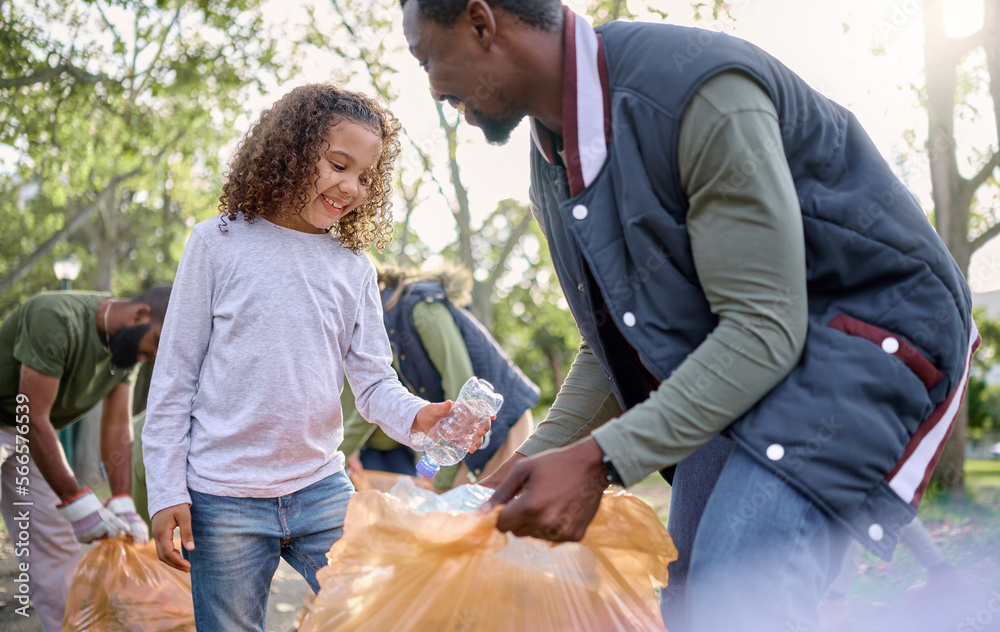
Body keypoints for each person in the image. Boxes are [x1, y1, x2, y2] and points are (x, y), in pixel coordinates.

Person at [400, 2, 977, 631]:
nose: (432, 85)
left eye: (427, 56)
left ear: (482, 23)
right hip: (734, 359)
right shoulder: (550, 164)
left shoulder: (696, 94)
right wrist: (505, 482)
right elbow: (610, 346)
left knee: (736, 590)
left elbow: (765, 328)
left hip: (868, 338)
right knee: (686, 594)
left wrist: (599, 461)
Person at [142, 84, 486, 632]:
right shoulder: (216, 243)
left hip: (321, 489)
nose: (350, 187)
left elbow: (373, 383)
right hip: (222, 498)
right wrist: (164, 491)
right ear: (289, 151)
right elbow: (175, 378)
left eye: (366, 177)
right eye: (337, 164)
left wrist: (420, 417)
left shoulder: (353, 268)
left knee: (381, 614)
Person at [0, 285, 170, 632]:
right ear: (140, 316)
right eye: (155, 343)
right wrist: (77, 500)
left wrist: (122, 500)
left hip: (28, 433)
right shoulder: (56, 318)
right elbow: (31, 414)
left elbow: (117, 426)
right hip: (23, 419)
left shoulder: (125, 352)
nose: (153, 355)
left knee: (57, 550)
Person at [339, 264, 540, 490]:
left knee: (485, 517)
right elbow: (375, 400)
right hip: (463, 439)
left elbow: (462, 386)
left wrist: (441, 479)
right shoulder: (389, 327)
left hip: (500, 423)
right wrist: (336, 460)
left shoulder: (421, 307)